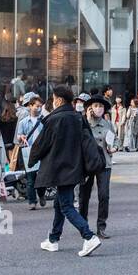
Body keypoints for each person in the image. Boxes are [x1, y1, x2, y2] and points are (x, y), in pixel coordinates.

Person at [32, 86, 102, 257]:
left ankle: (89, 236)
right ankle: (53, 239)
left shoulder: (54, 119)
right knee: (60, 202)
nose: (52, 101)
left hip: (59, 169)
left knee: (66, 206)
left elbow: (41, 145)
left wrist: (32, 158)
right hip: (75, 167)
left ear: (59, 100)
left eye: (54, 98)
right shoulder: (78, 118)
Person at [79, 96, 115, 238]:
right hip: (87, 164)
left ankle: (101, 226)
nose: (99, 108)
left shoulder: (107, 124)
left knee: (104, 195)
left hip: (104, 162)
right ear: (90, 108)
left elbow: (114, 140)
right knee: (84, 196)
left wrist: (114, 147)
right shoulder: (83, 123)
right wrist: (87, 120)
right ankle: (83, 224)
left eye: (101, 106)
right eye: (95, 106)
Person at [16, 92, 46, 209]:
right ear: (30, 106)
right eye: (36, 106)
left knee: (42, 177)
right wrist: (21, 137)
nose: (38, 108)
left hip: (42, 152)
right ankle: (32, 201)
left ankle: (42, 195)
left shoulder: (44, 121)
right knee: (30, 178)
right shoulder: (24, 122)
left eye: (40, 106)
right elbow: (19, 135)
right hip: (29, 151)